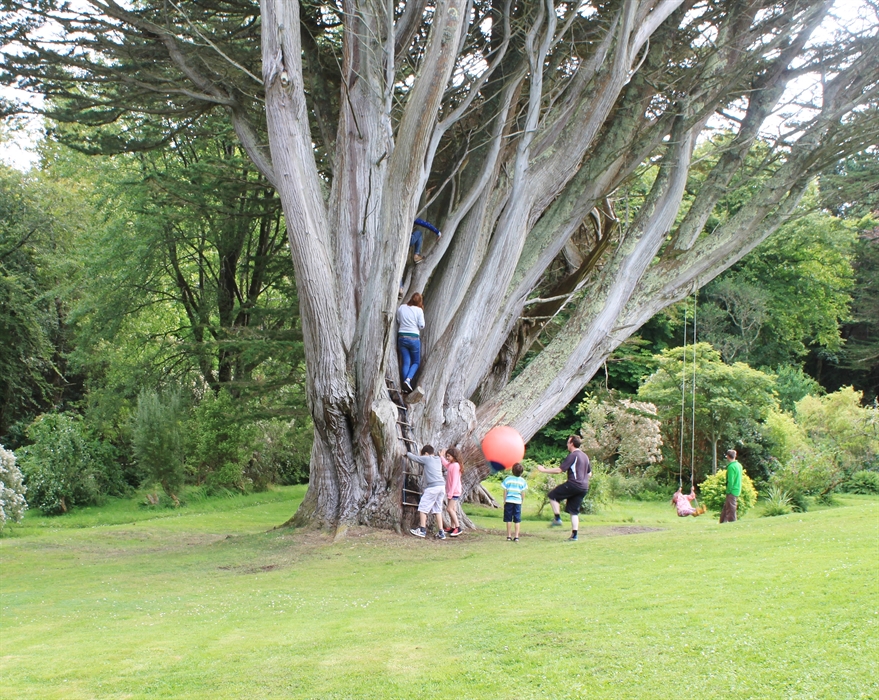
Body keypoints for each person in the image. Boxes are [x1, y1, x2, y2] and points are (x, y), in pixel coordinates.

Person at [536, 435, 591, 541]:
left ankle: (557, 518)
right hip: (584, 487)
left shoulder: (573, 455)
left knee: (552, 496)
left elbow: (560, 470)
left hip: (574, 484)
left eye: (568, 442)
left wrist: (543, 470)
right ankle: (574, 535)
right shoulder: (585, 457)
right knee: (574, 511)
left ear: (572, 443)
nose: (567, 444)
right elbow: (589, 474)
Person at [408, 445, 448, 539]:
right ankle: (441, 532)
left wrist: (407, 453)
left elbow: (414, 458)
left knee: (423, 508)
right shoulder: (438, 459)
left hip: (432, 487)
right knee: (438, 510)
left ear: (426, 454)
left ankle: (422, 530)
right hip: (441, 486)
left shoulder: (427, 458)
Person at [396, 292, 425, 393]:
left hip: (402, 337)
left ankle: (405, 387)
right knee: (416, 362)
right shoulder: (419, 310)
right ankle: (408, 380)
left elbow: (398, 320)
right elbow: (421, 326)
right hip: (413, 339)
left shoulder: (402, 308)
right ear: (420, 302)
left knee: (406, 362)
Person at [441, 447, 463, 537]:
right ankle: (453, 527)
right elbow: (446, 465)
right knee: (453, 509)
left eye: (449, 456)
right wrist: (441, 456)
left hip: (455, 491)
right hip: (452, 491)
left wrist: (450, 492)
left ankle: (458, 527)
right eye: (447, 456)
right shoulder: (451, 464)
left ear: (454, 456)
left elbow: (454, 481)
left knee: (449, 509)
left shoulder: (456, 465)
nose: (447, 458)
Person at [502, 463, 528, 542]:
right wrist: (522, 501)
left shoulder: (508, 479)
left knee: (508, 519)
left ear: (512, 471)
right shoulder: (522, 481)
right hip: (517, 502)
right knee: (517, 519)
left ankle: (509, 536)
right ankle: (516, 536)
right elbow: (523, 493)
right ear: (521, 472)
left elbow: (505, 491)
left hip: (509, 501)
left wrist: (504, 500)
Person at [720, 449, 743, 523]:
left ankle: (733, 523)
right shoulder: (739, 465)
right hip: (737, 488)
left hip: (732, 490)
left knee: (731, 508)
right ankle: (722, 522)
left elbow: (731, 481)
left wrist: (728, 491)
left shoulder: (731, 467)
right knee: (726, 507)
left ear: (728, 456)